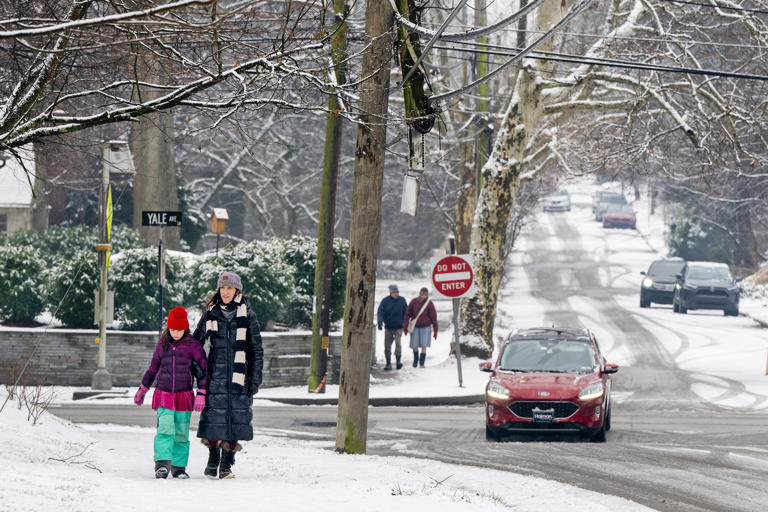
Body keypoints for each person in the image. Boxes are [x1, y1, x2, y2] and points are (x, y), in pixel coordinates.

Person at [193, 271, 263, 479]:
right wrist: (201, 372)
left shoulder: (248, 315)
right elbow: (195, 345)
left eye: (229, 288)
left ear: (237, 290)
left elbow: (256, 350)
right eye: (222, 288)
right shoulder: (210, 314)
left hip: (240, 379)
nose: (225, 292)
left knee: (235, 421)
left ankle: (226, 464)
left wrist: (255, 379)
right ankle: (213, 458)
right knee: (214, 421)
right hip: (215, 377)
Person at [134, 306, 208, 479]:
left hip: (184, 396)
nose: (175, 333)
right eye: (172, 329)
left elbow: (202, 371)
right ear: (168, 328)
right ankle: (162, 465)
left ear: (185, 328)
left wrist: (202, 393)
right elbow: (153, 369)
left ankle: (178, 467)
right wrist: (142, 389)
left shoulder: (193, 346)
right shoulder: (162, 345)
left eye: (179, 329)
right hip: (164, 395)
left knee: (181, 433)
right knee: (165, 430)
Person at [403, 287, 438, 368]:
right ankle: (415, 360)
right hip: (415, 326)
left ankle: (422, 363)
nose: (423, 296)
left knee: (424, 345)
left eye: (425, 295)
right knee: (414, 345)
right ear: (419, 293)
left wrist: (435, 329)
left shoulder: (429, 303)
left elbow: (433, 317)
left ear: (427, 295)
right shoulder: (413, 301)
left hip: (426, 327)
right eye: (421, 294)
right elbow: (407, 314)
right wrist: (405, 325)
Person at [377, 283, 408, 370]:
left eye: (397, 292)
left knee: (398, 344)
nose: (396, 294)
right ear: (390, 292)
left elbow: (407, 312)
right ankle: (388, 364)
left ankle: (398, 362)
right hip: (388, 328)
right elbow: (380, 312)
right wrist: (380, 322)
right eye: (394, 292)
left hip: (399, 327)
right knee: (387, 346)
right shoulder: (385, 301)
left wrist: (406, 323)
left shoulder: (402, 300)